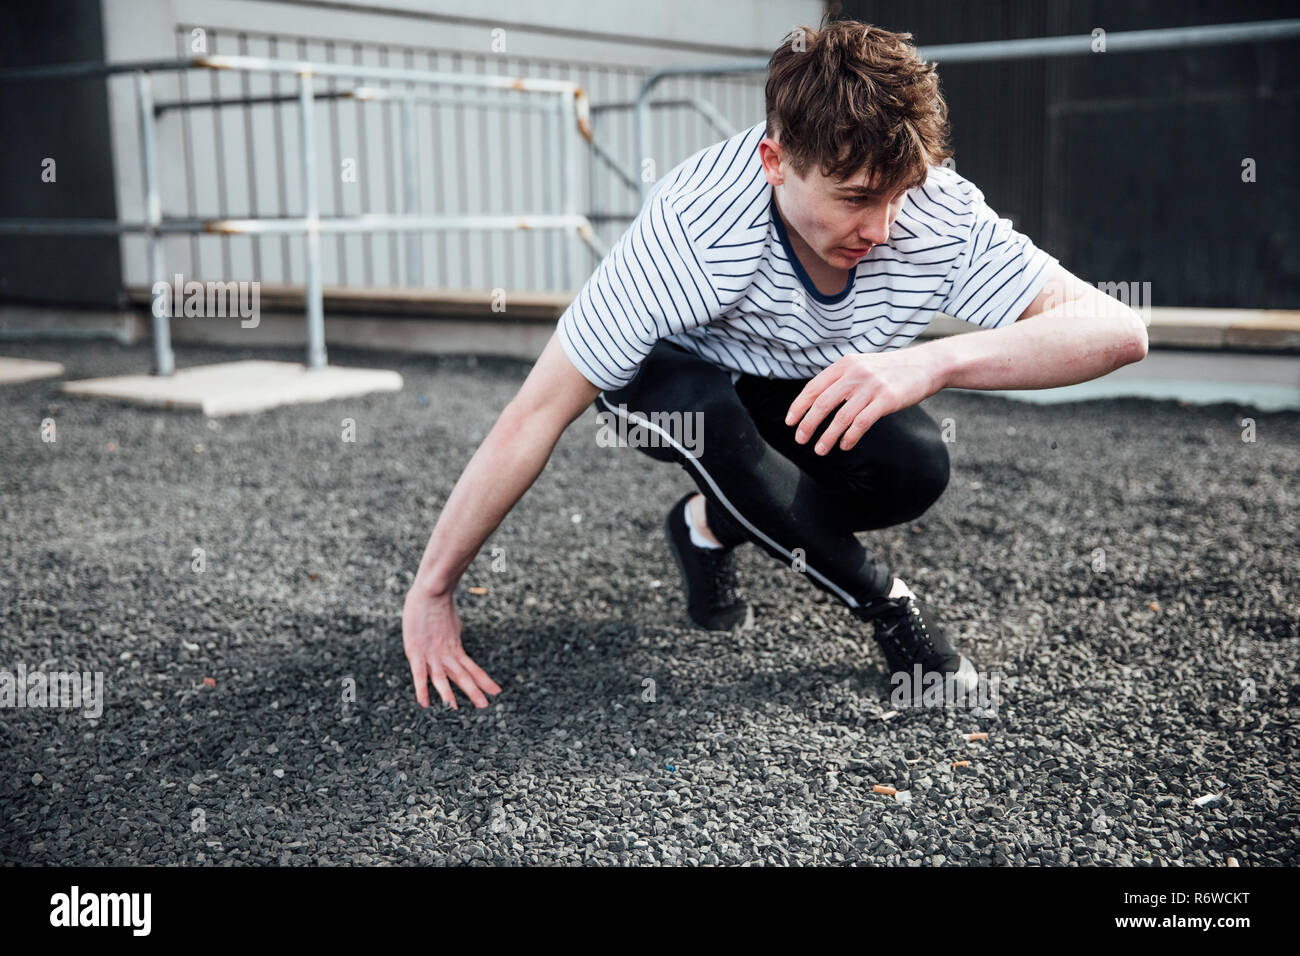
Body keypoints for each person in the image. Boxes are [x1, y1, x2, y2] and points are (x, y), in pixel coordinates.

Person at [401, 17, 1148, 710]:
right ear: (775, 162)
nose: (882, 229)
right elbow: (533, 412)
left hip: (785, 372)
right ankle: (888, 607)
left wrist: (935, 363)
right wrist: (432, 590)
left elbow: (1116, 331)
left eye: (900, 195)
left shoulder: (936, 212)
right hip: (673, 372)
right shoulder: (695, 227)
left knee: (914, 467)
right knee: (712, 420)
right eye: (856, 198)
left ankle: (707, 525)